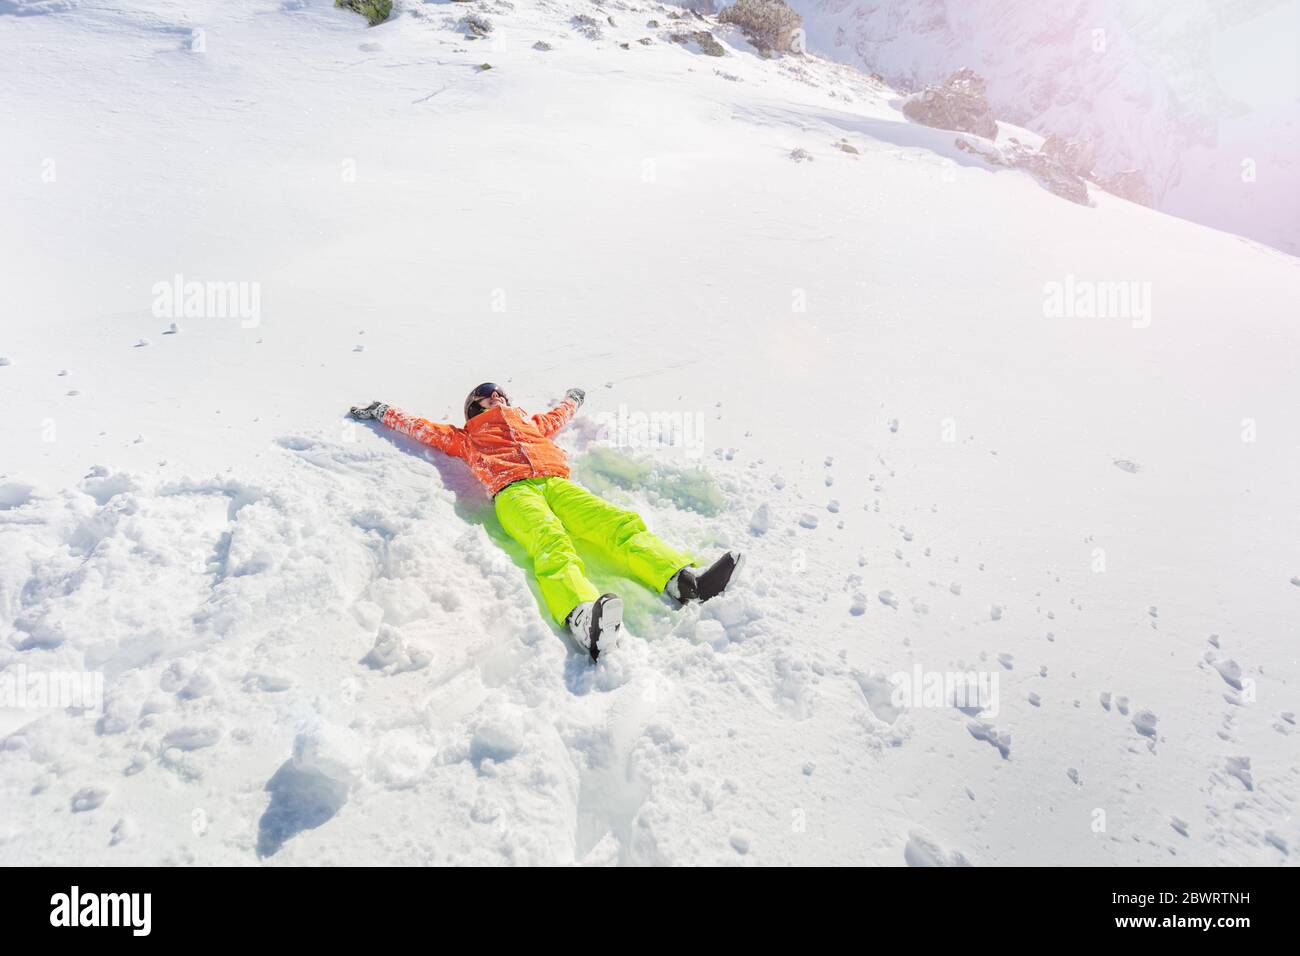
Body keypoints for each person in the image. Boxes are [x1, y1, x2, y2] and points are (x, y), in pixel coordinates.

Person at [348, 383, 742, 660]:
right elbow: (422, 428)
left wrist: (573, 399)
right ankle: (582, 616)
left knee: (617, 523)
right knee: (550, 543)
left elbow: (557, 416)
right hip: (513, 492)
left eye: (500, 392)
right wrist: (382, 411)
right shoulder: (466, 436)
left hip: (557, 483)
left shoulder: (529, 423)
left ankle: (683, 580)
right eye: (486, 393)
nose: (496, 395)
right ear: (473, 407)